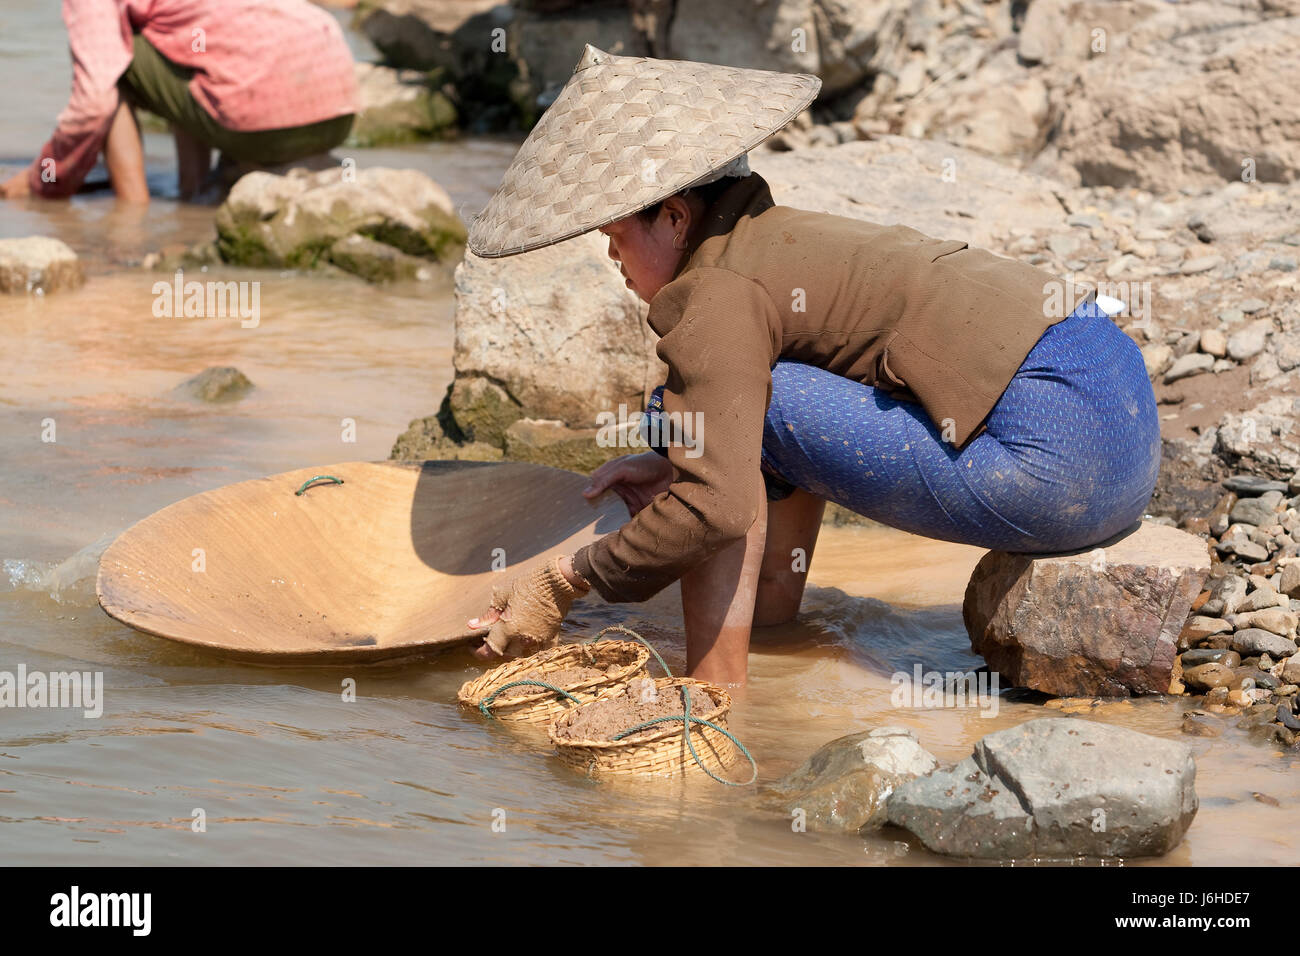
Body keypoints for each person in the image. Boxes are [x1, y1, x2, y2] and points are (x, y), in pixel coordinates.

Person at [464, 45, 1160, 688]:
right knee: (716, 424)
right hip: (1122, 424)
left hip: (1064, 473)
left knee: (723, 431)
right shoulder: (781, 238)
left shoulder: (713, 294)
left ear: (676, 218)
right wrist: (682, 454)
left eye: (616, 239)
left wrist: (564, 578)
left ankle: (712, 693)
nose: (613, 261)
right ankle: (771, 617)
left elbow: (718, 504)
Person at [0, 0, 358, 203]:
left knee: (116, 63)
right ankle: (195, 190)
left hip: (263, 127)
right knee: (176, 41)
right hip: (340, 109)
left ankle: (132, 213)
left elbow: (94, 101)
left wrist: (42, 179)